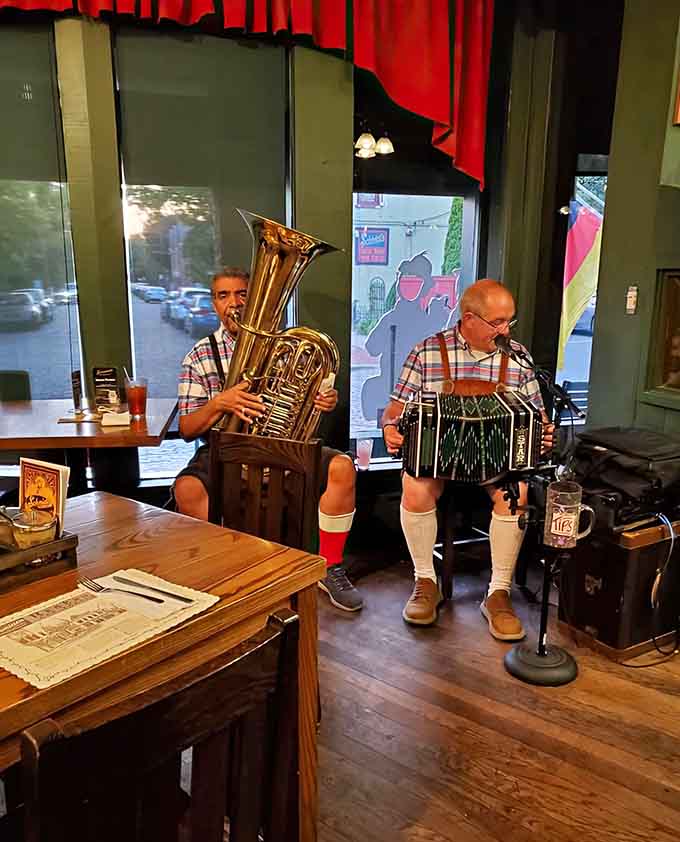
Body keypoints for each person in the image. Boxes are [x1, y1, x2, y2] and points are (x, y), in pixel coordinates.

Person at [174, 267, 363, 612]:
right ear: (214, 303)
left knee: (342, 468)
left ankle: (329, 564)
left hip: (283, 446)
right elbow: (187, 428)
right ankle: (228, 567)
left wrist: (324, 399)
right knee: (186, 490)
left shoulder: (290, 348)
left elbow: (314, 395)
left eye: (242, 294)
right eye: (223, 295)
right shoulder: (200, 356)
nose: (234, 303)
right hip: (226, 449)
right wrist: (221, 402)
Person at [382, 278, 554, 639]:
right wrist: (390, 428)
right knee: (414, 488)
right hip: (438, 458)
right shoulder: (427, 352)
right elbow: (394, 411)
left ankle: (498, 594)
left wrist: (542, 435)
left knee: (517, 494)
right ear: (469, 318)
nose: (505, 330)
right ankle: (425, 582)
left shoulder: (518, 357)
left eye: (510, 321)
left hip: (497, 460)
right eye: (498, 322)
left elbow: (537, 417)